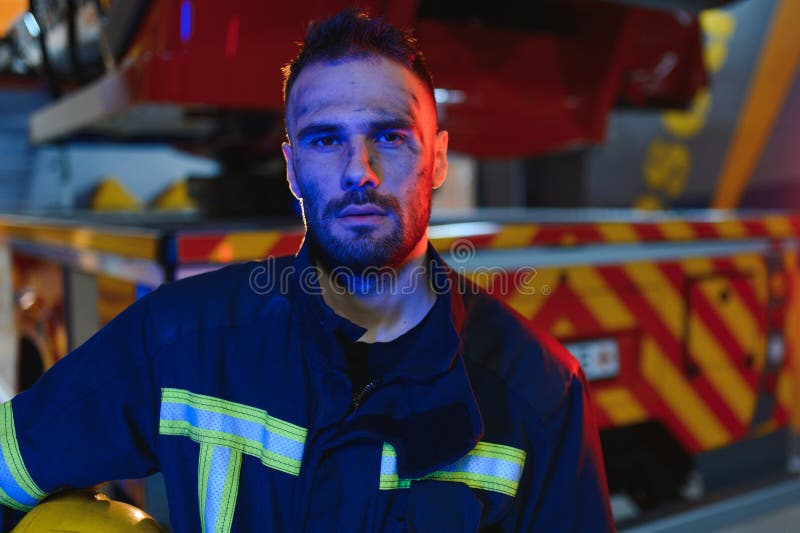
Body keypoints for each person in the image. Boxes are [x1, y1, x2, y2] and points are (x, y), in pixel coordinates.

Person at [0, 8, 614, 532]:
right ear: (292, 169)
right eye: (326, 140)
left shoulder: (539, 393)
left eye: (391, 137)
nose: (360, 171)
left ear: (438, 159)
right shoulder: (179, 340)